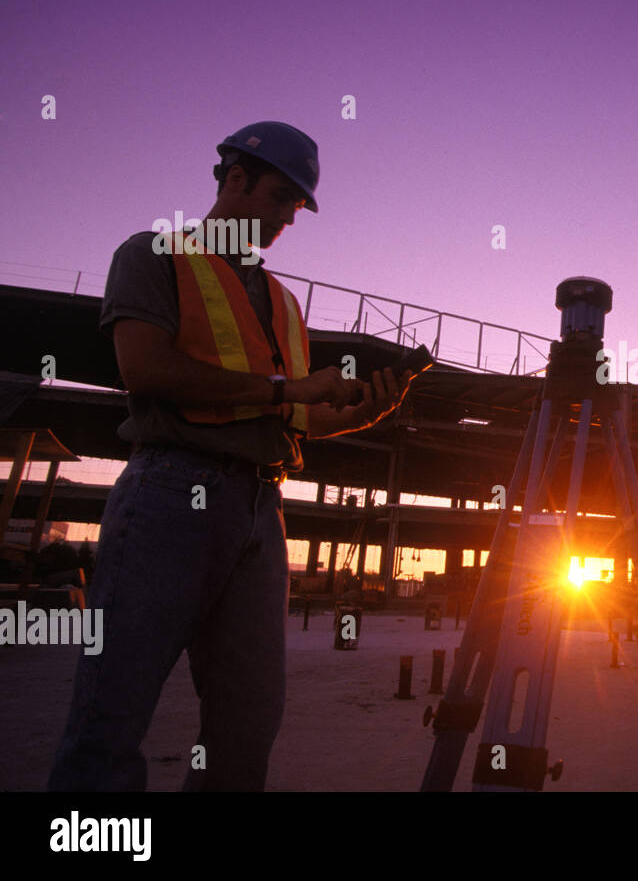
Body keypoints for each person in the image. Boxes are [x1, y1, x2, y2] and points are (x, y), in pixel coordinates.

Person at [48, 121, 414, 791]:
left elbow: (293, 416)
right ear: (235, 177)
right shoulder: (153, 253)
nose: (287, 219)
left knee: (247, 721)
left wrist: (366, 411)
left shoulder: (282, 302)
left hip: (260, 509)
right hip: (169, 493)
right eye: (279, 197)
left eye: (297, 207)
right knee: (112, 712)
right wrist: (290, 388)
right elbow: (146, 370)